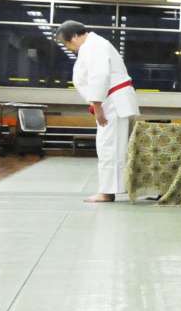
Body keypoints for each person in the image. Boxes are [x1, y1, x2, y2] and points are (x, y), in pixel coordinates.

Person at [57, 20, 139, 204]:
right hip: (114, 101)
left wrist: (97, 107)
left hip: (112, 103)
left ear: (75, 36)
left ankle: (107, 192)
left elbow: (99, 76)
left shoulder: (93, 46)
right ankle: (113, 189)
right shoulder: (94, 45)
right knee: (113, 147)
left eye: (67, 43)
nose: (69, 48)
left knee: (109, 147)